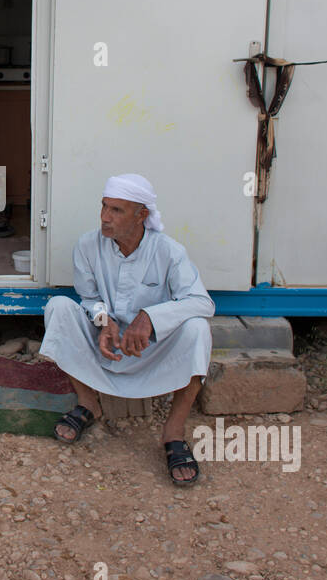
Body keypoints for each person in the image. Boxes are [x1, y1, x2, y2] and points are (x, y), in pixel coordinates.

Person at [38, 174, 214, 485]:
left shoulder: (169, 252)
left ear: (141, 215)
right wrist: (104, 319)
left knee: (198, 329)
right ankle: (88, 403)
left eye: (117, 210)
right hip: (106, 343)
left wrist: (149, 318)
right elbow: (89, 298)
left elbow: (202, 302)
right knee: (59, 307)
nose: (105, 218)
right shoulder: (88, 246)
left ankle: (173, 433)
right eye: (104, 207)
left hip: (151, 350)